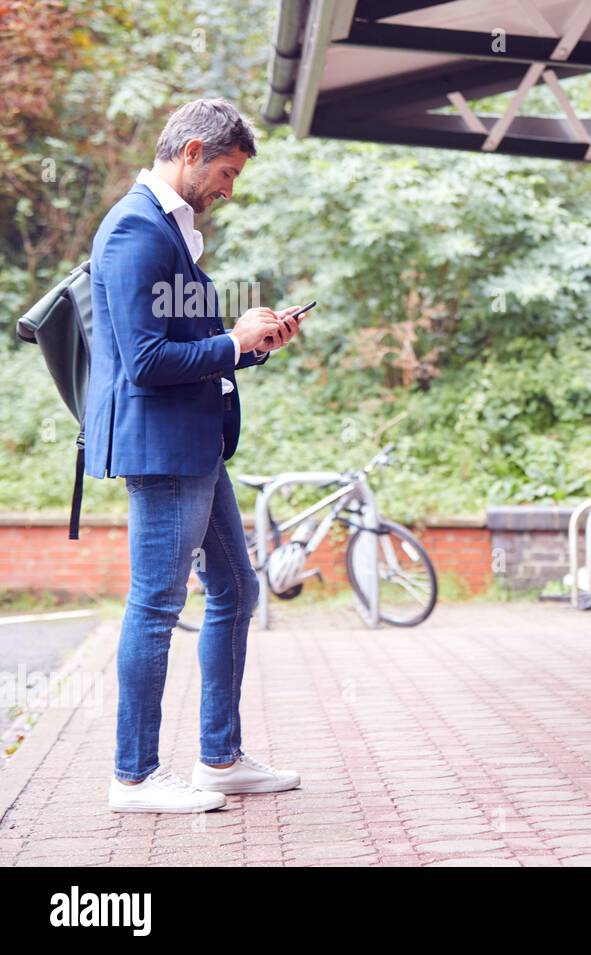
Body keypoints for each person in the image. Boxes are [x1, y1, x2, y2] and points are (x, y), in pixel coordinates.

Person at [83, 98, 307, 812]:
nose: (228, 189)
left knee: (236, 592)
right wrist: (235, 340)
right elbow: (146, 363)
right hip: (164, 450)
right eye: (227, 171)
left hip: (197, 446)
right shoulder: (135, 231)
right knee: (155, 605)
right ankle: (135, 776)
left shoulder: (171, 231)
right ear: (192, 151)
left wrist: (254, 345)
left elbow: (191, 353)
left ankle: (219, 757)